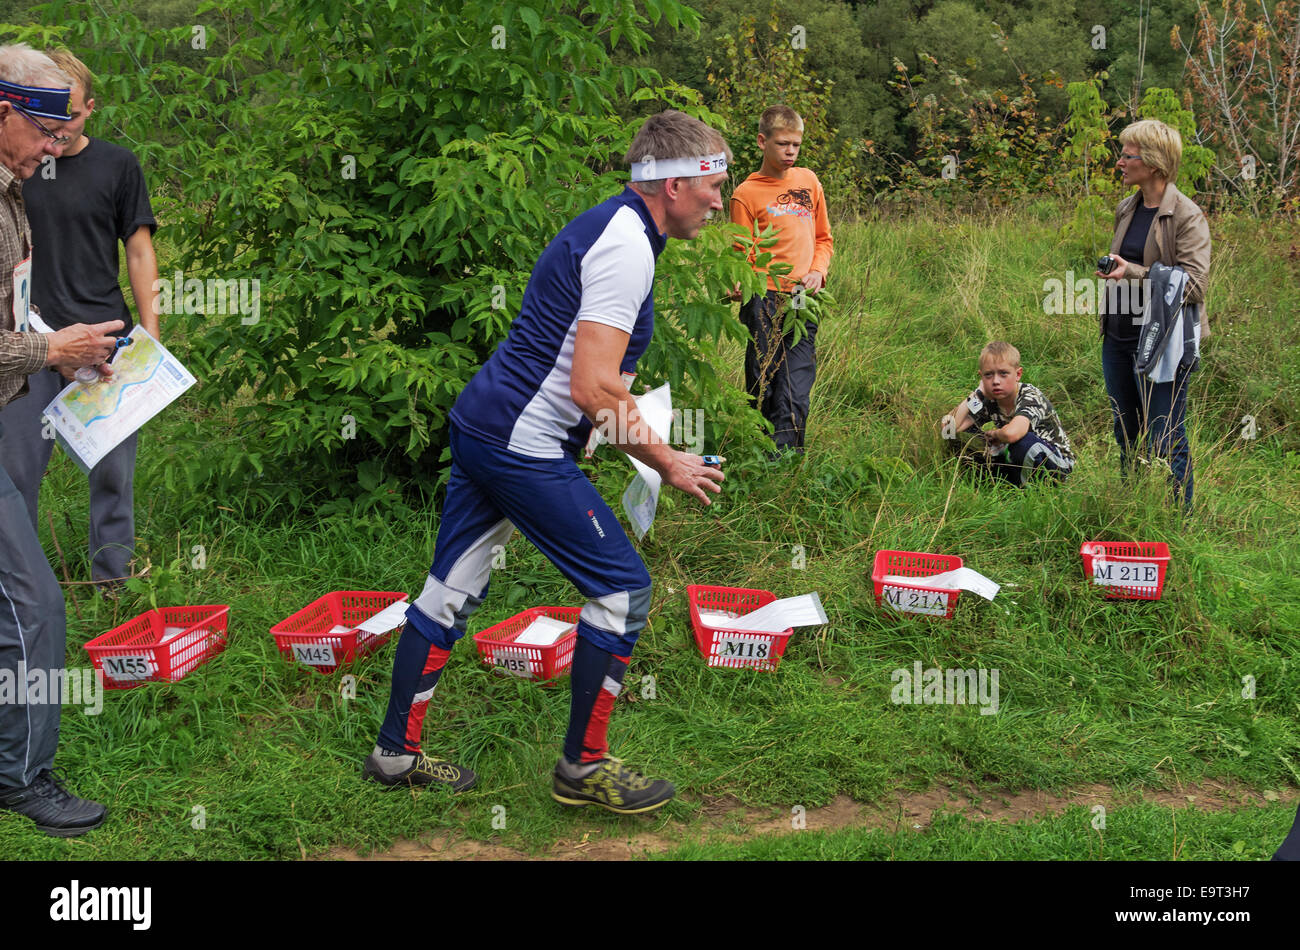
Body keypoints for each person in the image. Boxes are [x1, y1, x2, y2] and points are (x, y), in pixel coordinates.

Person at [362, 110, 729, 815]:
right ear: (675, 184)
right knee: (622, 594)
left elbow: (583, 373)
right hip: (519, 443)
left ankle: (393, 755)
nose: (719, 199)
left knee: (446, 594)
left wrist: (607, 431)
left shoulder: (617, 226)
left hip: (488, 424)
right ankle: (583, 768)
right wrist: (668, 459)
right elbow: (590, 386)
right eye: (713, 184)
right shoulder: (628, 246)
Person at [0, 42, 125, 837]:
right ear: (2, 112)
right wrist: (52, 351)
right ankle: (22, 778)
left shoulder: (11, 191)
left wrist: (61, 347)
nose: (56, 148)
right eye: (45, 131)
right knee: (37, 603)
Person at [0, 49, 159, 591]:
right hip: (25, 345)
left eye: (66, 115)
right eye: (46, 118)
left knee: (113, 475)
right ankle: (21, 590)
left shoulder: (118, 165)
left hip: (102, 345)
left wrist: (150, 336)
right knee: (17, 477)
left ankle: (112, 584)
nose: (56, 133)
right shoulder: (16, 167)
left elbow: (139, 251)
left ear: (88, 109)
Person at [1096, 119, 1210, 509]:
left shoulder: (1187, 215)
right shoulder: (1126, 207)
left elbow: (1195, 286)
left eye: (1128, 155)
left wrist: (1135, 271)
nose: (1120, 162)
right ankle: (1133, 512)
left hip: (1164, 344)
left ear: (1155, 163)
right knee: (1126, 431)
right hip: (1118, 335)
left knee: (1165, 435)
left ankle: (1180, 520)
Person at [729, 105, 833, 456]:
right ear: (762, 141)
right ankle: (757, 453)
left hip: (804, 298)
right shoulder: (746, 193)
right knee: (763, 378)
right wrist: (736, 282)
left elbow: (824, 238)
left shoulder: (808, 181)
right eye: (783, 144)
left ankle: (786, 459)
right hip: (764, 297)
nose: (790, 152)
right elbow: (739, 252)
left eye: (796, 145)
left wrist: (818, 270)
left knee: (797, 379)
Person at [940, 341, 1075, 486]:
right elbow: (948, 430)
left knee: (1023, 442)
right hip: (1020, 459)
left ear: (1018, 374)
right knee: (962, 436)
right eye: (988, 375)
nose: (996, 381)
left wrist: (995, 434)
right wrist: (976, 395)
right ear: (981, 377)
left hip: (1056, 462)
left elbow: (1012, 434)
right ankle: (994, 481)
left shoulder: (1030, 396)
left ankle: (1028, 489)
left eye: (1003, 373)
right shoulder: (989, 399)